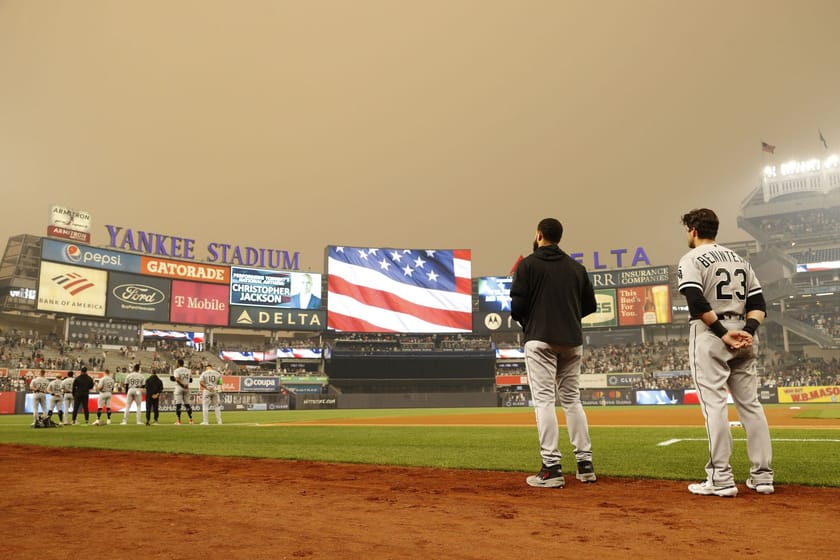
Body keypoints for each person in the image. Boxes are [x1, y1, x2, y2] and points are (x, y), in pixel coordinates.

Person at [678, 208, 774, 497]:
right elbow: (759, 304)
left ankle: (720, 478)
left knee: (715, 406)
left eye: (687, 230)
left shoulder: (691, 258)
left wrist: (722, 333)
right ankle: (763, 477)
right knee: (751, 406)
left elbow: (695, 301)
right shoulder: (740, 260)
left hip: (712, 335)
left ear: (693, 230)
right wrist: (749, 330)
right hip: (743, 333)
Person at [510, 218, 598, 488]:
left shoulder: (527, 265)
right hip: (572, 340)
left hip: (540, 339)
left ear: (539, 235)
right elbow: (590, 306)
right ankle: (585, 465)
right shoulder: (576, 267)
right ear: (559, 237)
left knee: (545, 402)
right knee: (572, 401)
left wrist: (533, 322)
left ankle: (552, 467)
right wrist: (568, 318)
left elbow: (516, 308)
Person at [171, 358, 194, 425]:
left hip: (179, 388)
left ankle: (179, 421)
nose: (176, 364)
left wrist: (182, 385)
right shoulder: (188, 370)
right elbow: (191, 380)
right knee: (187, 404)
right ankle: (191, 420)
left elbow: (177, 379)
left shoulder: (176, 370)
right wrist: (185, 383)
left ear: (178, 363)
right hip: (187, 388)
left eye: (176, 363)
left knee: (178, 405)